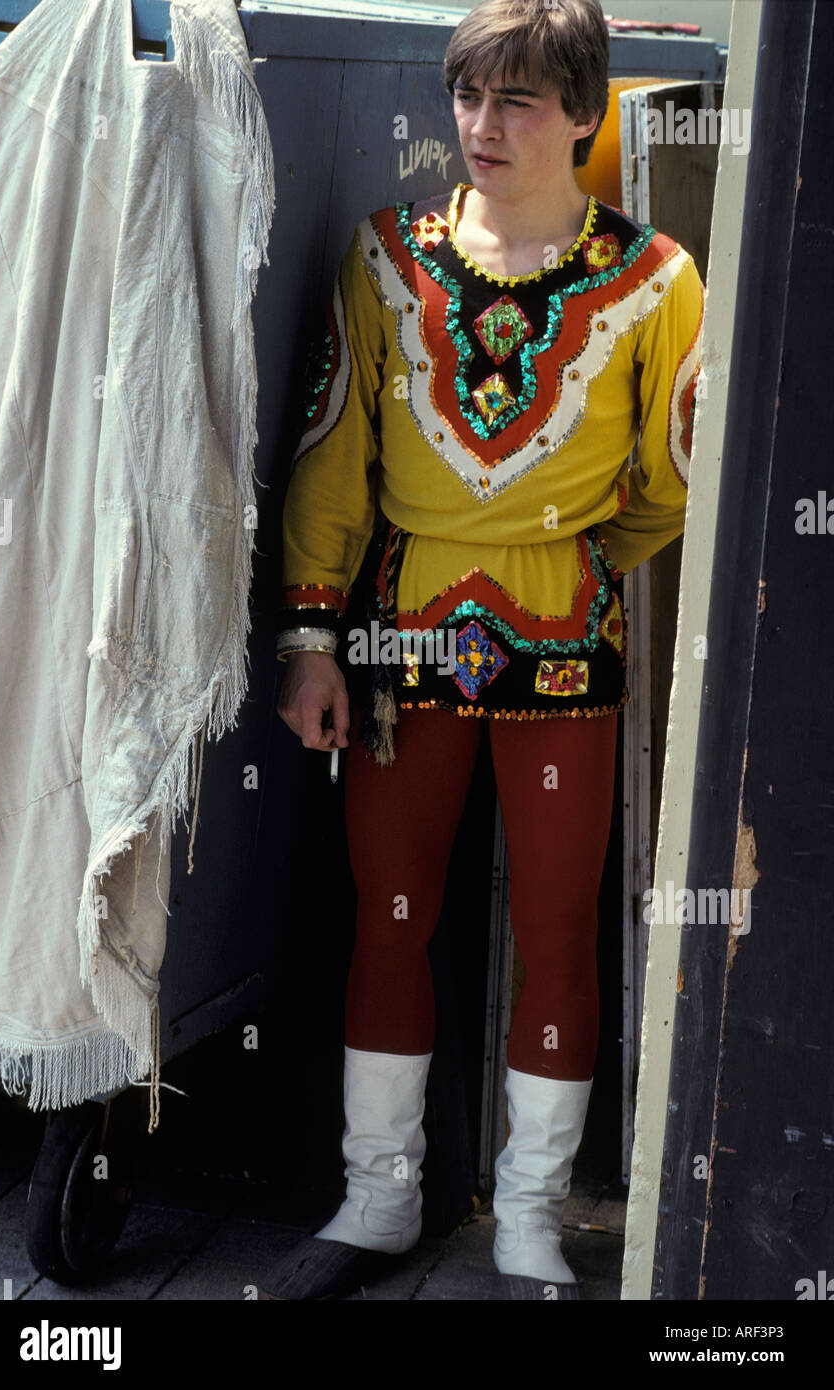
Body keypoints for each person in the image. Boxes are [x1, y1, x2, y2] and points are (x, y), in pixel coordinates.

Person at [261, 0, 705, 1301]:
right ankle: (379, 1197)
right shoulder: (387, 257)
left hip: (563, 640)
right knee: (391, 919)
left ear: (585, 112)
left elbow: (675, 479)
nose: (482, 124)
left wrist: (574, 563)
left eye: (516, 99)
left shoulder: (656, 279)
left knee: (561, 929)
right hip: (398, 630)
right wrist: (310, 635)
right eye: (468, 96)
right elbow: (334, 454)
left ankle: (527, 1219)